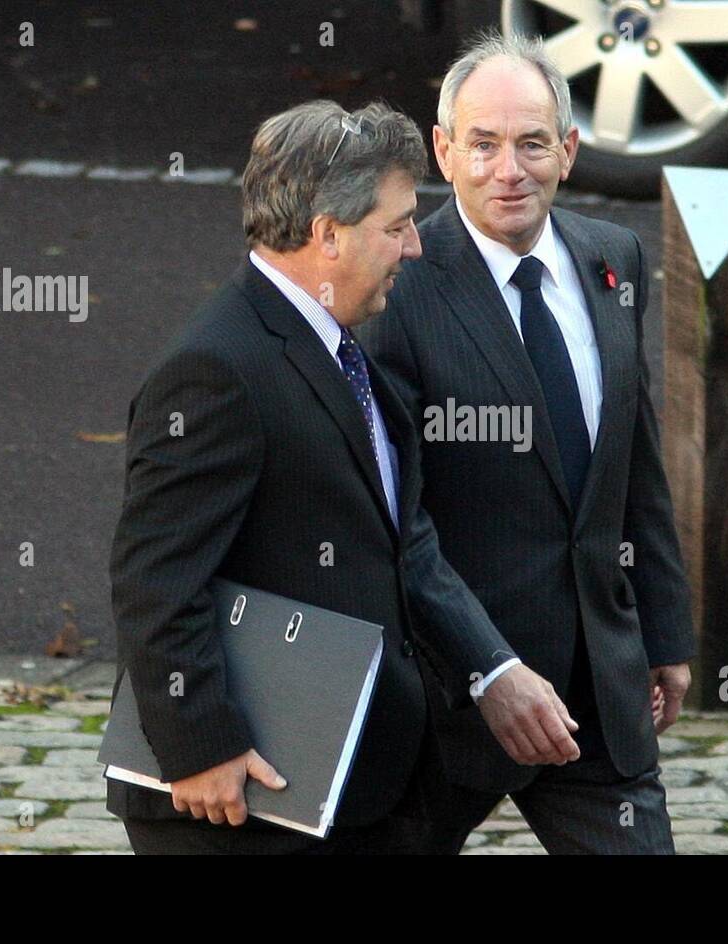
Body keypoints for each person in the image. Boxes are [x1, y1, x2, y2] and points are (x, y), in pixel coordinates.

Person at [107, 99, 570, 854]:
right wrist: (201, 748)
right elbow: (154, 579)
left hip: (354, 785)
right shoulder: (216, 373)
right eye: (396, 227)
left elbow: (402, 538)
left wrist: (492, 668)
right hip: (242, 804)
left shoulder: (344, 349)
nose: (414, 247)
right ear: (327, 234)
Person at [358, 33, 697, 854]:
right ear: (444, 150)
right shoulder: (395, 288)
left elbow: (634, 460)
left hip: (595, 689)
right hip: (448, 703)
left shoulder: (612, 260)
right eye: (482, 144)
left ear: (569, 151)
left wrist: (664, 630)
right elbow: (398, 520)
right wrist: (489, 669)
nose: (508, 168)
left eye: (532, 143)